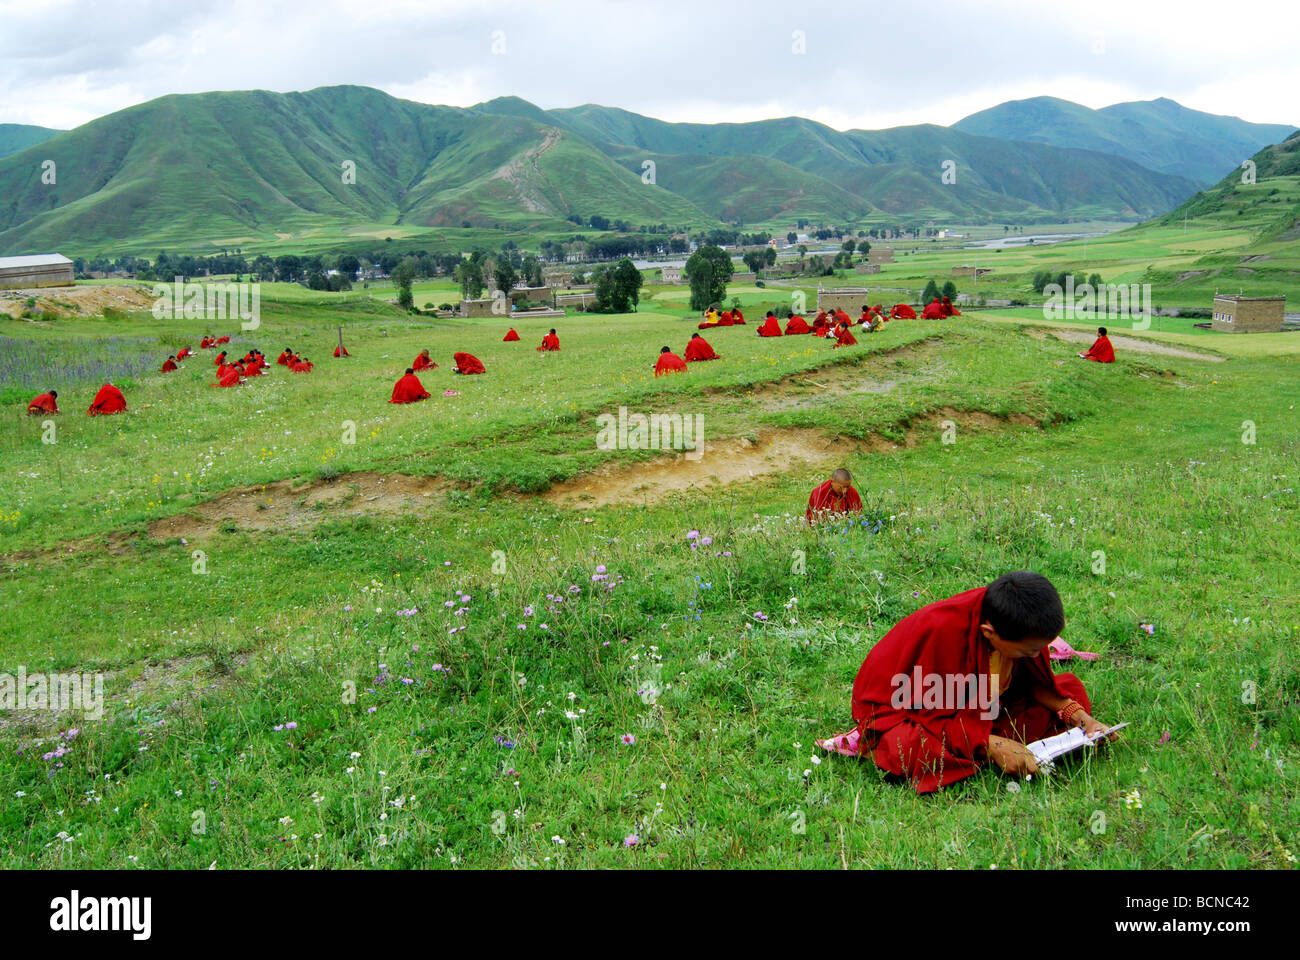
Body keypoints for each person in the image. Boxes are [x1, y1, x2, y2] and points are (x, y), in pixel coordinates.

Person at [820, 571, 1107, 794]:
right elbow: (932, 714)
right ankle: (867, 742)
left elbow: (1035, 682)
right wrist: (993, 744)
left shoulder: (1015, 620)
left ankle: (981, 746)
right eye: (1030, 651)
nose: (1037, 655)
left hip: (979, 702)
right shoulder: (944, 631)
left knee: (1071, 690)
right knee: (911, 750)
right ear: (989, 633)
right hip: (905, 706)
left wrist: (1078, 716)